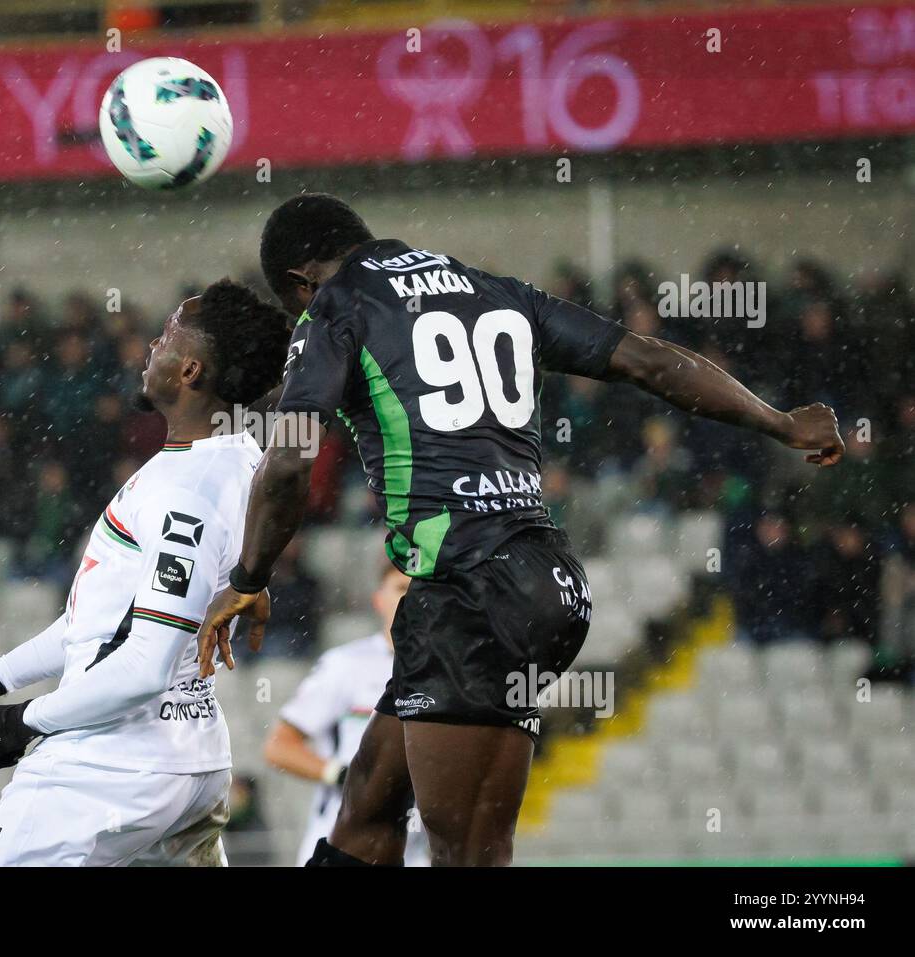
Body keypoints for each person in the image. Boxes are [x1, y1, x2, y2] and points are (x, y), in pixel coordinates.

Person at [195, 193, 845, 866]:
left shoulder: (337, 304)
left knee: (468, 853)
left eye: (297, 301)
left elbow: (293, 455)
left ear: (303, 282)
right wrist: (779, 420)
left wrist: (248, 577)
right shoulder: (495, 290)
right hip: (537, 578)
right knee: (367, 804)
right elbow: (647, 359)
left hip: (470, 590)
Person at [0, 279, 290, 866]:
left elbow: (144, 665)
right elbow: (98, 625)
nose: (149, 349)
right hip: (183, 767)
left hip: (109, 770)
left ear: (190, 370)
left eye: (165, 337)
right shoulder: (231, 464)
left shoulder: (184, 489)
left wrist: (26, 719)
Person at [264, 564, 430, 866]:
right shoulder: (345, 665)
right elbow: (279, 747)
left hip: (414, 851)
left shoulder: (445, 674)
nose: (411, 598)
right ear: (378, 599)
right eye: (401, 588)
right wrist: (346, 776)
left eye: (421, 589)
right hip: (339, 845)